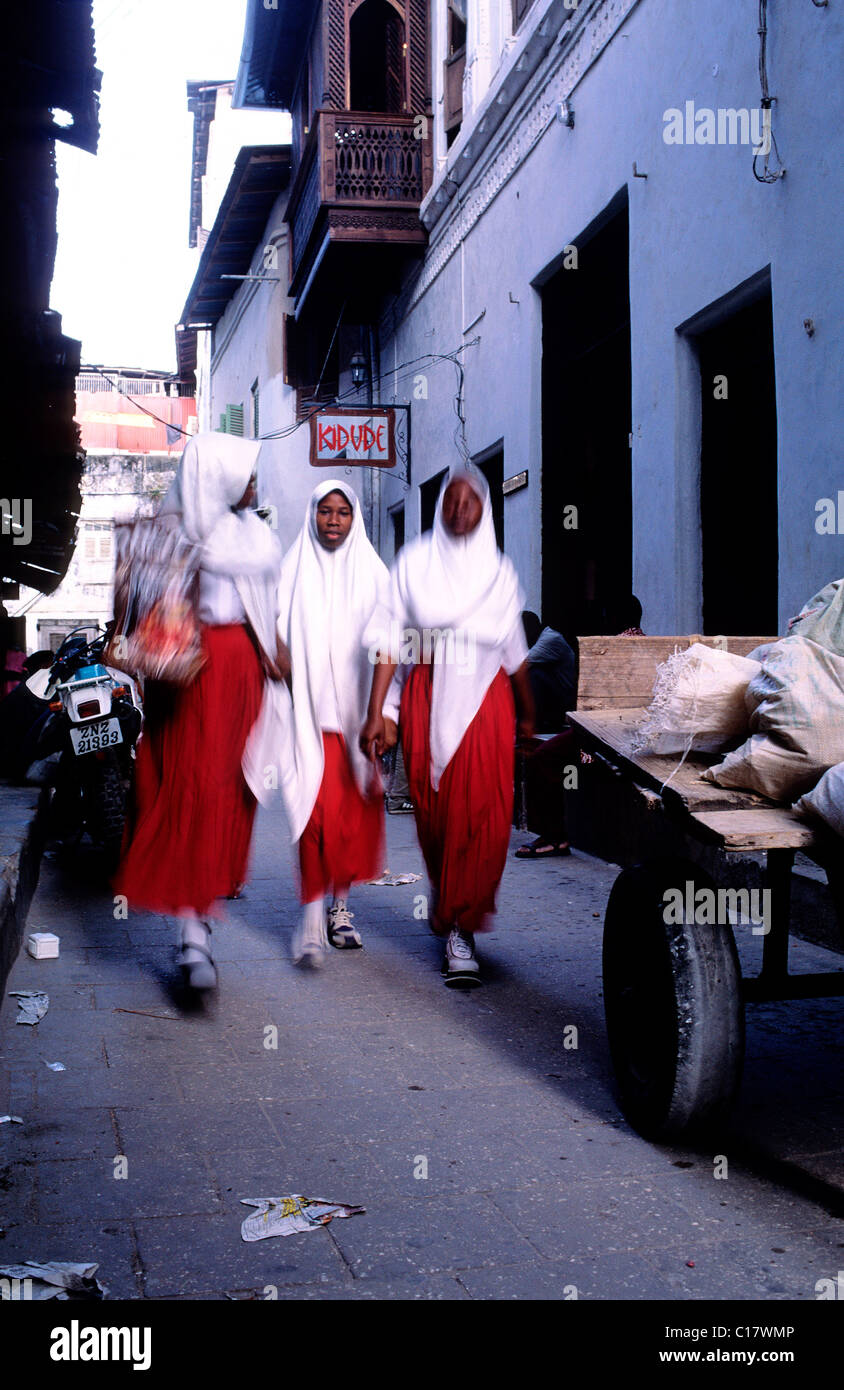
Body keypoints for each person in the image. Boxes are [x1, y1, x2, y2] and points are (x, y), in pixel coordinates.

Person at [113, 434, 287, 993]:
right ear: (216, 477)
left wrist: (274, 650)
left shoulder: (256, 536)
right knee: (192, 790)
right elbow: (141, 608)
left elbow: (267, 610)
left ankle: (201, 915)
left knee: (229, 796)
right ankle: (192, 932)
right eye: (245, 474)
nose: (255, 484)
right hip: (192, 675)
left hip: (243, 678)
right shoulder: (176, 535)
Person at [361, 466, 534, 987]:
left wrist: (528, 716)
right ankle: (447, 892)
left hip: (485, 701)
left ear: (484, 509)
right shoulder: (414, 564)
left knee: (481, 816)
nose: (460, 509)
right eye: (451, 500)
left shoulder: (499, 573)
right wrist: (379, 712)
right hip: (428, 697)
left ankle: (462, 931)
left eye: (471, 501)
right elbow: (390, 641)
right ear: (440, 508)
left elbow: (515, 654)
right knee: (436, 817)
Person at [278, 480, 390, 967]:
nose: (333, 521)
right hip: (306, 718)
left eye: (343, 512)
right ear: (313, 514)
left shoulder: (373, 573)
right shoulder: (290, 570)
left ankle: (340, 908)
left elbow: (391, 647)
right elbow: (272, 637)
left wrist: (385, 713)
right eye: (325, 511)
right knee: (310, 816)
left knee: (346, 822)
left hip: (354, 721)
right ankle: (309, 914)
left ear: (354, 516)